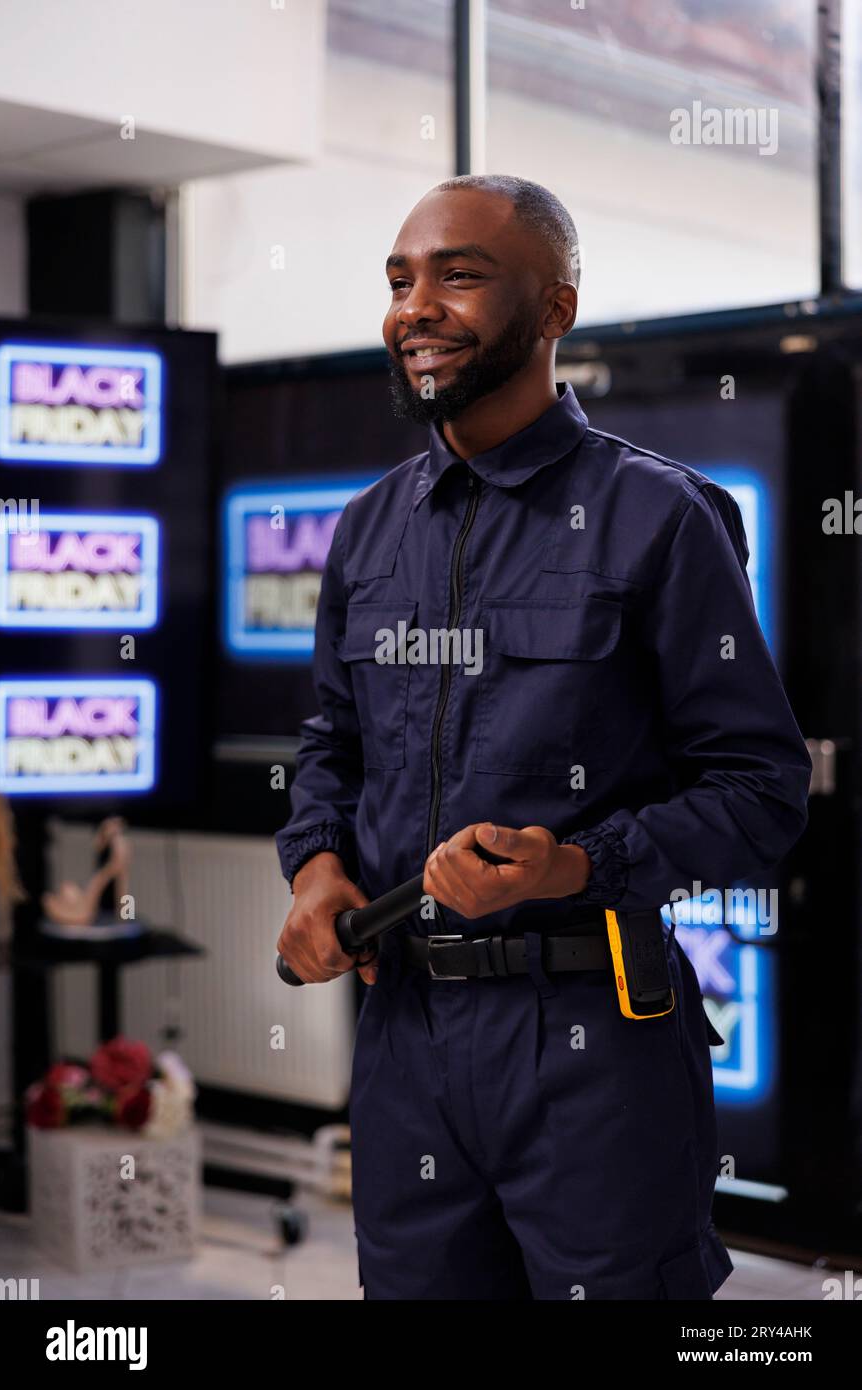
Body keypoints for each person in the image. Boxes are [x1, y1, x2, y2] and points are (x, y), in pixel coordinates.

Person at [275, 174, 811, 1300]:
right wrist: (316, 865)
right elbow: (331, 739)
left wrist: (577, 865)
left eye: (458, 275)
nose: (415, 305)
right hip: (404, 1037)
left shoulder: (660, 516)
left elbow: (761, 791)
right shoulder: (367, 529)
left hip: (591, 1039)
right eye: (398, 280)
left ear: (554, 309)